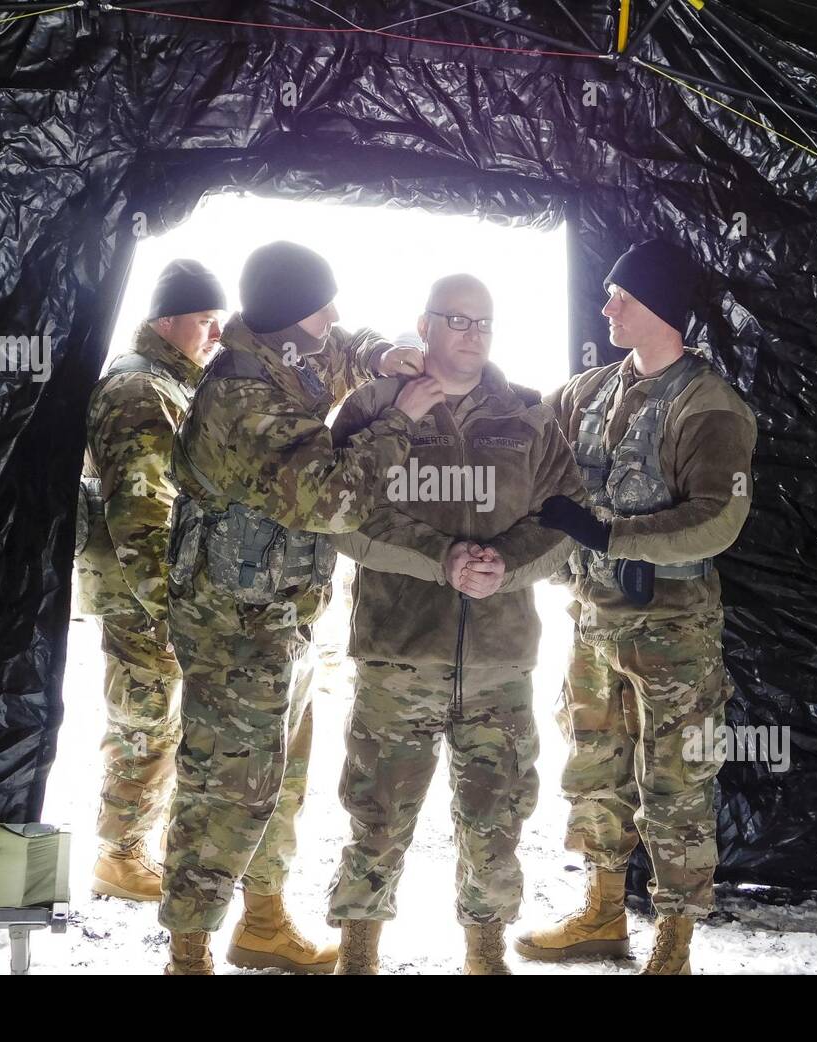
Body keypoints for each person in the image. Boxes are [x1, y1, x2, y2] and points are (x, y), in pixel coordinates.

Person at [158, 240, 443, 975]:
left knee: (278, 784)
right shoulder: (244, 399)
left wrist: (385, 355)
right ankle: (187, 952)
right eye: (323, 307)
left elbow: (344, 348)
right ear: (290, 322)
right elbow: (333, 500)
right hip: (233, 629)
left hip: (278, 617)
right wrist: (400, 421)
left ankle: (262, 923)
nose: (336, 318)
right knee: (227, 790)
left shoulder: (289, 351)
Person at [323, 273, 585, 975]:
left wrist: (507, 564)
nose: (472, 335)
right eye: (458, 320)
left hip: (499, 662)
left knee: (496, 820)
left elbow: (565, 515)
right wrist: (441, 558)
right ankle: (358, 953)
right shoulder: (376, 407)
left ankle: (484, 952)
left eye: (484, 324)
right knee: (377, 817)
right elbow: (343, 515)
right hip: (399, 655)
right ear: (425, 324)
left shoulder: (528, 415)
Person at [513, 238, 758, 975]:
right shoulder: (591, 390)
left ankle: (675, 941)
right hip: (594, 623)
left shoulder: (708, 406)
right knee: (595, 769)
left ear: (664, 311)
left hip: (673, 637)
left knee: (677, 784)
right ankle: (601, 913)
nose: (607, 304)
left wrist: (610, 532)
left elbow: (720, 518)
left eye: (623, 295)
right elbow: (527, 425)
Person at [75, 259, 225, 902]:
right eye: (204, 322)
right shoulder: (143, 391)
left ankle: (136, 841)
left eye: (219, 323)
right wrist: (172, 608)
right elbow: (141, 513)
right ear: (168, 321)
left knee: (156, 720)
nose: (215, 335)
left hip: (150, 589)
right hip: (145, 592)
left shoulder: (166, 381)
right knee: (145, 724)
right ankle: (120, 853)